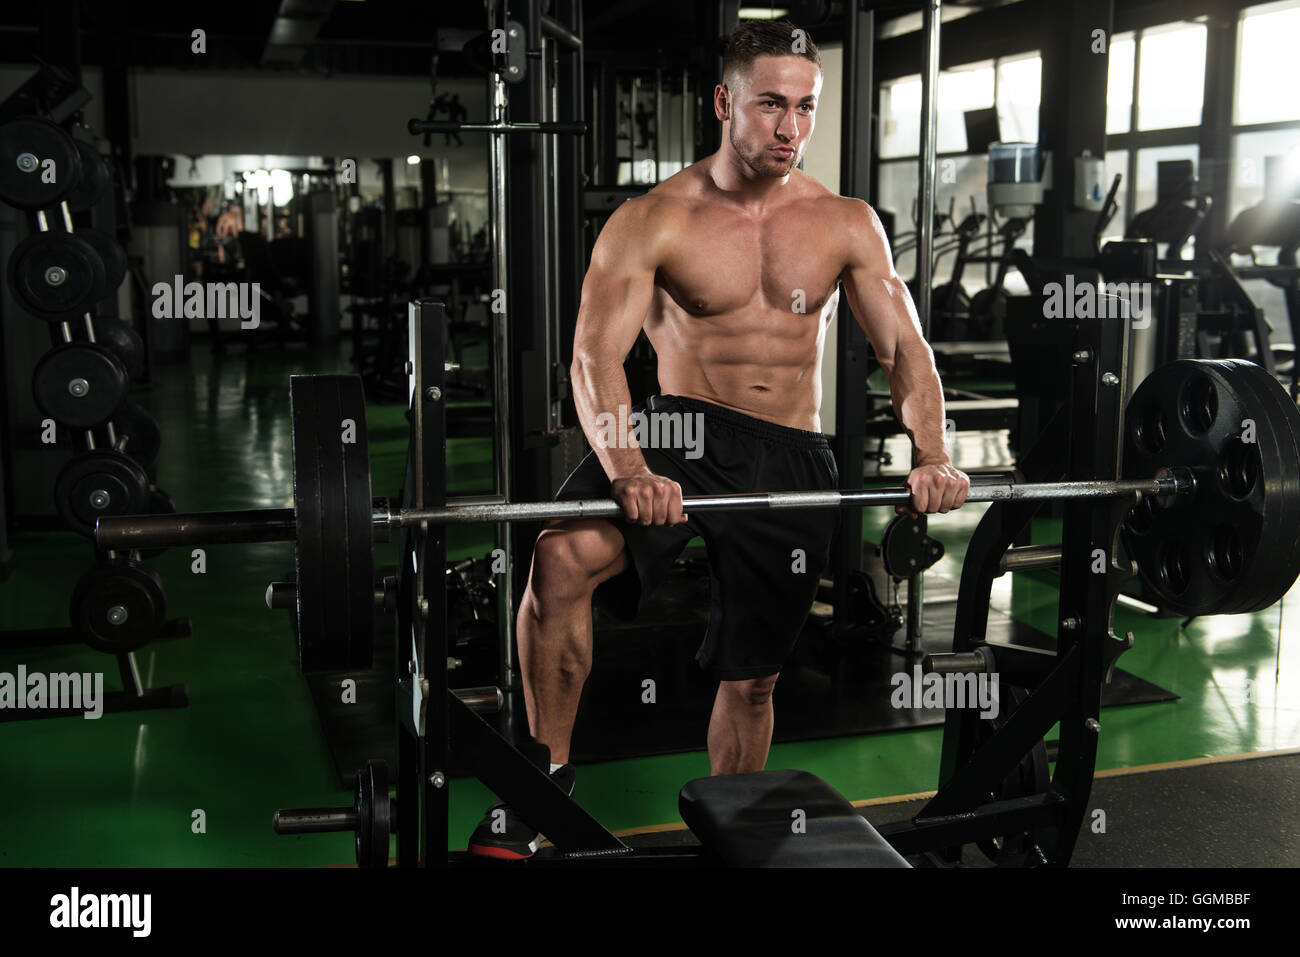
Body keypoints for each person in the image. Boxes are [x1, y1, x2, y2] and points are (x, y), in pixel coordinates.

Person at [467, 18, 970, 859]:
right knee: (558, 556)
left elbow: (904, 349)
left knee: (756, 674)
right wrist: (626, 465)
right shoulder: (654, 217)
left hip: (793, 453)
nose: (790, 128)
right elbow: (594, 354)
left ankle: (736, 825)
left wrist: (932, 452)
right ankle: (541, 780)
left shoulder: (848, 223)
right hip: (678, 430)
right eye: (771, 103)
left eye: (806, 107)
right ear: (723, 101)